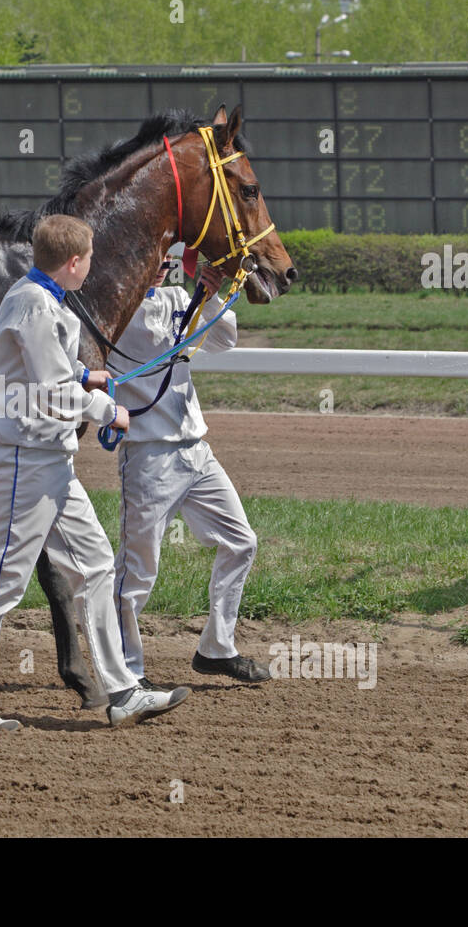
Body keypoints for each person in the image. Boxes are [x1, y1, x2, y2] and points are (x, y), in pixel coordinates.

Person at [0, 214, 192, 731]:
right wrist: (106, 409)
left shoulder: (37, 296)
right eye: (91, 258)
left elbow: (39, 365)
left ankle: (122, 690)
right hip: (22, 460)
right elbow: (52, 391)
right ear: (74, 262)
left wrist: (84, 373)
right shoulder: (33, 302)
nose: (93, 265)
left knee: (97, 565)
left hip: (46, 460)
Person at [109, 247, 271, 688]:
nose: (162, 267)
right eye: (155, 259)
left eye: (168, 260)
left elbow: (224, 340)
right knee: (138, 571)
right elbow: (159, 340)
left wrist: (211, 295)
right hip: (148, 458)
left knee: (241, 541)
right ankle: (125, 672)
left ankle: (217, 648)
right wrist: (199, 295)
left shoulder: (182, 298)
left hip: (196, 450)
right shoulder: (119, 307)